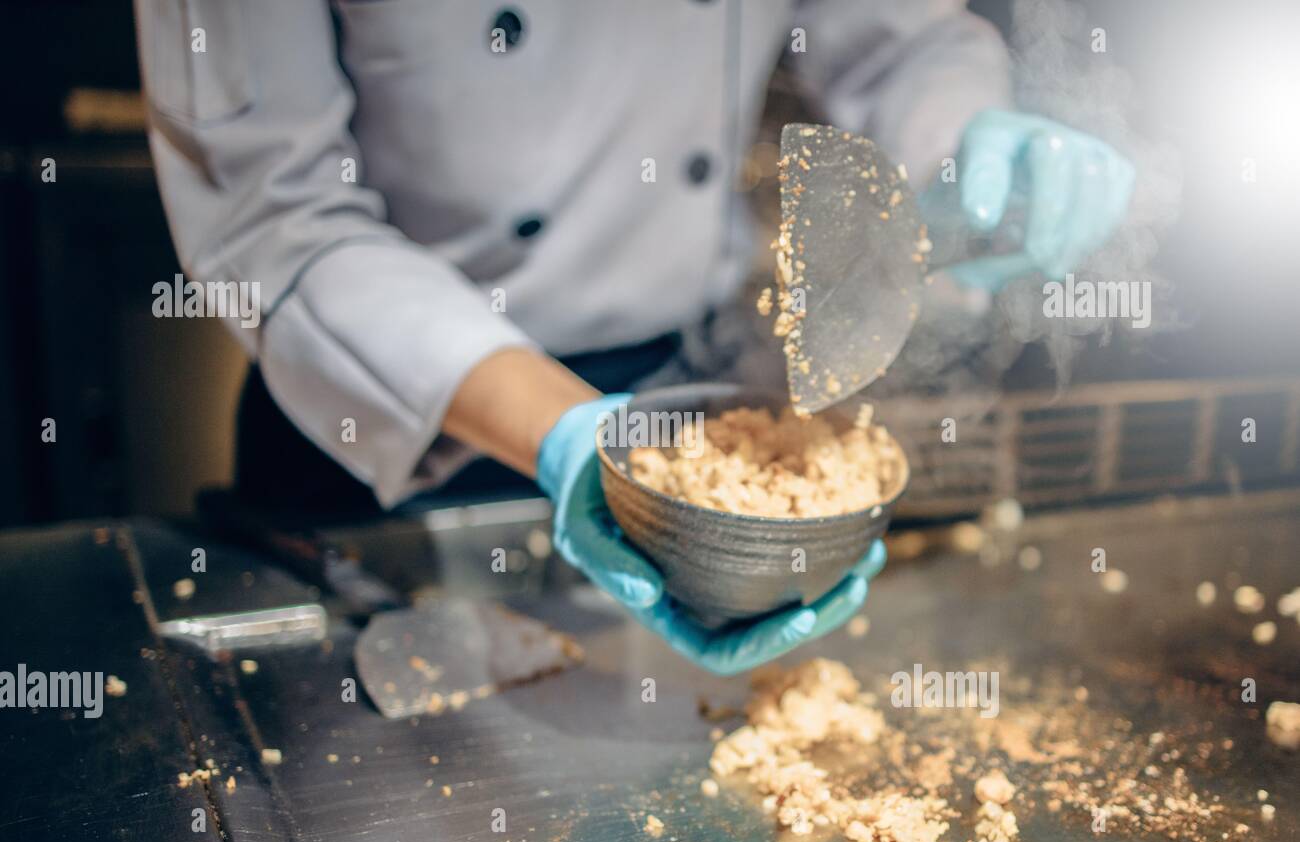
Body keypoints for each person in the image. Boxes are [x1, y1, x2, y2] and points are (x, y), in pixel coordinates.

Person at [134, 1, 1132, 674]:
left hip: (682, 396)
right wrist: (572, 438)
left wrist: (962, 149)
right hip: (385, 411)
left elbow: (895, 37)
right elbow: (277, 216)